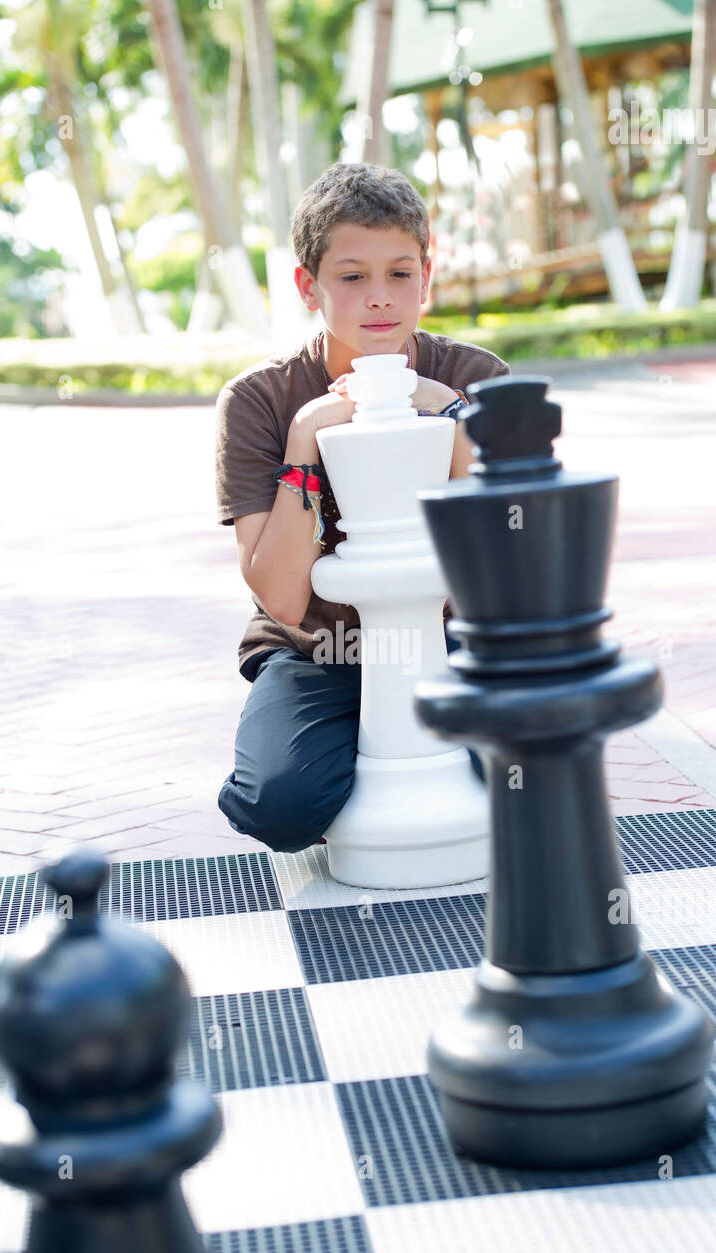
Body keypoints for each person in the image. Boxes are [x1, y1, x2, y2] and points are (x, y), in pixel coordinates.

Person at [215, 162, 511, 854]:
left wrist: (457, 421)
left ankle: (392, 748)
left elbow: (502, 565)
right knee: (279, 805)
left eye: (399, 274)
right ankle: (354, 748)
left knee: (527, 779)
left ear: (425, 277)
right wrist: (304, 442)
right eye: (351, 277)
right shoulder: (260, 400)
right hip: (318, 649)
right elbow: (283, 600)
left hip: (452, 638)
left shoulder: (476, 379)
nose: (379, 299)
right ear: (307, 285)